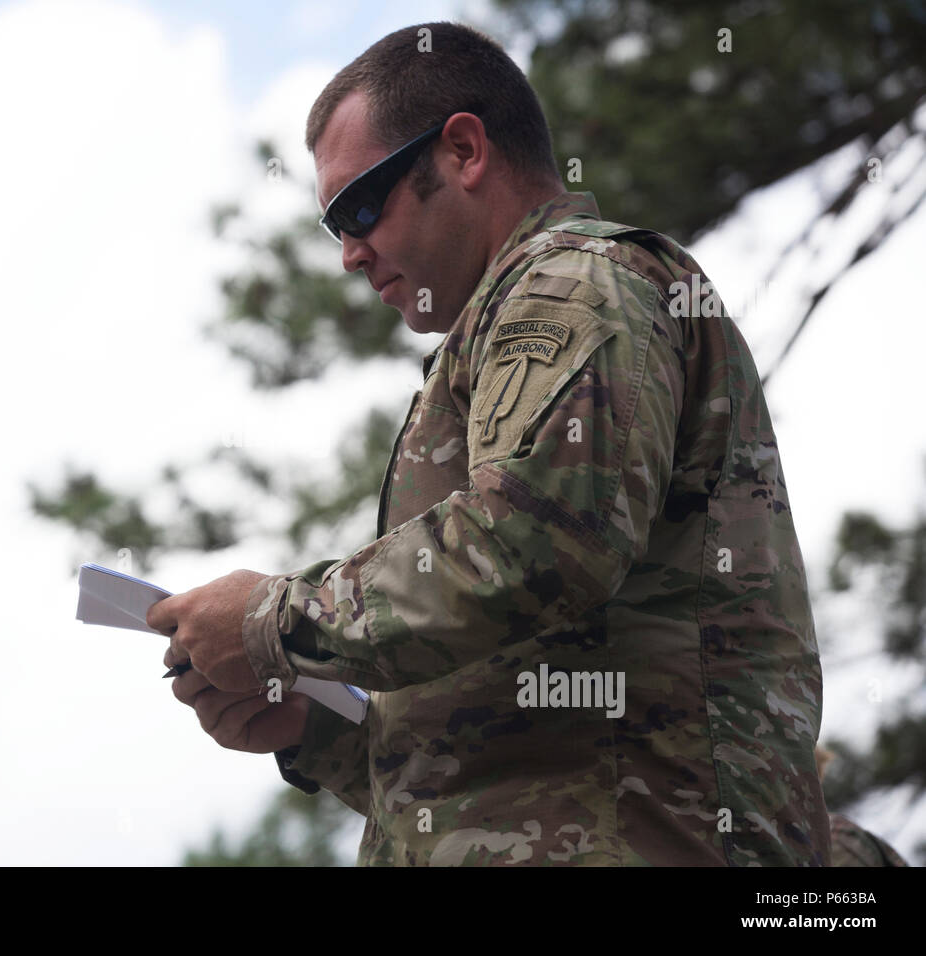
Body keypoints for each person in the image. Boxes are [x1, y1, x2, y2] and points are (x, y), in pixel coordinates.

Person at [147, 21, 830, 866]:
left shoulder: (571, 284)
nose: (352, 255)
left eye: (360, 207)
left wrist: (270, 625)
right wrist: (313, 730)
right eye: (334, 229)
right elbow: (506, 761)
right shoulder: (512, 319)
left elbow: (540, 542)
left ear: (465, 151)